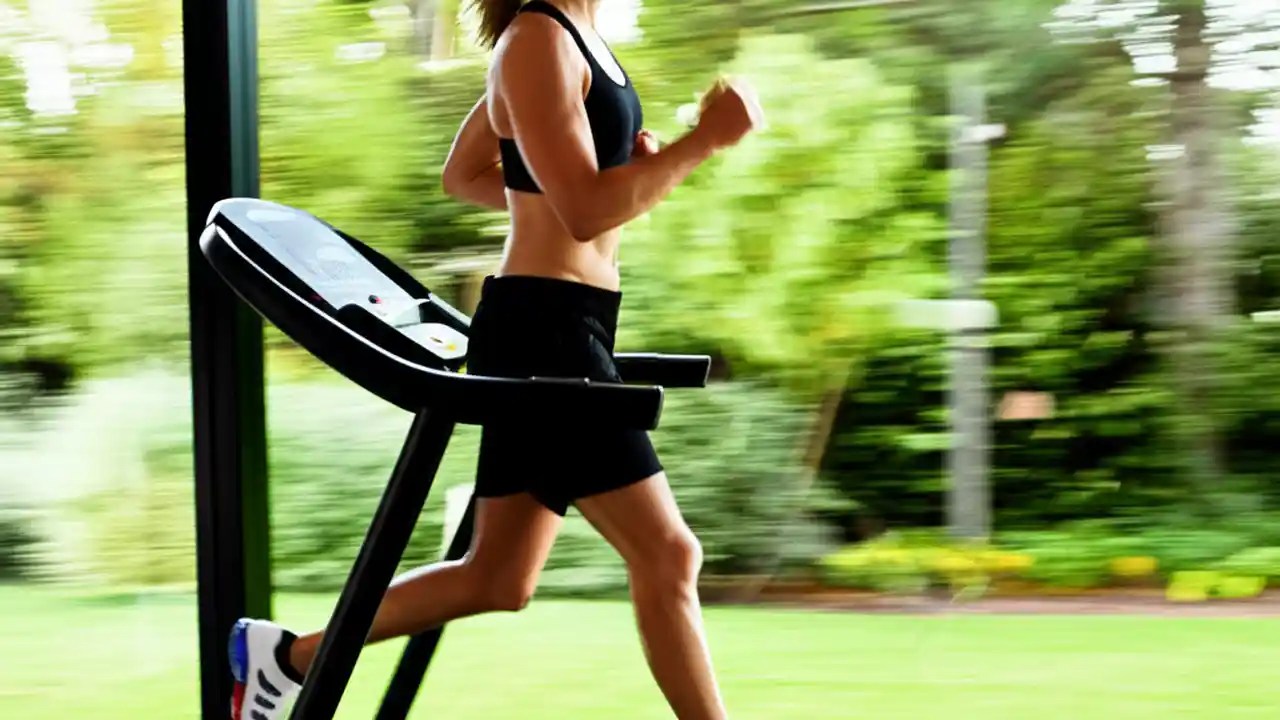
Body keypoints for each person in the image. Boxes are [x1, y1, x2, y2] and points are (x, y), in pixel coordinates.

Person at [228, 1, 763, 719]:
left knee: (498, 577)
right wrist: (701, 143)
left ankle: (283, 659)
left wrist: (635, 176)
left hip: (570, 321)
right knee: (669, 556)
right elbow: (581, 210)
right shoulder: (537, 40)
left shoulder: (579, 40)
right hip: (546, 333)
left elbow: (472, 174)